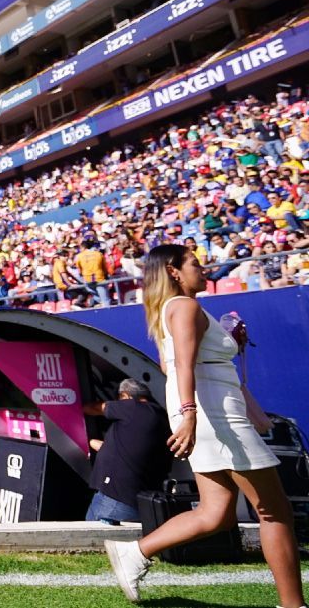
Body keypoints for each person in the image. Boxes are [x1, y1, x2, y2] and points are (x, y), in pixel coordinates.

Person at [106, 244, 303, 607]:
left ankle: (135, 552)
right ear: (174, 271)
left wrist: (227, 345)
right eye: (194, 263)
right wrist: (190, 414)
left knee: (217, 513)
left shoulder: (172, 309)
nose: (203, 268)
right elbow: (182, 365)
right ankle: (293, 605)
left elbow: (176, 366)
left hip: (209, 413)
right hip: (212, 415)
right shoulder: (184, 306)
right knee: (274, 511)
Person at [82, 378, 171, 524]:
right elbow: (131, 451)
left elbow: (94, 408)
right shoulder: (160, 416)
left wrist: (69, 407)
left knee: (94, 537)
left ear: (125, 396)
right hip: (145, 502)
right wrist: (91, 442)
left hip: (115, 500)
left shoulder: (132, 407)